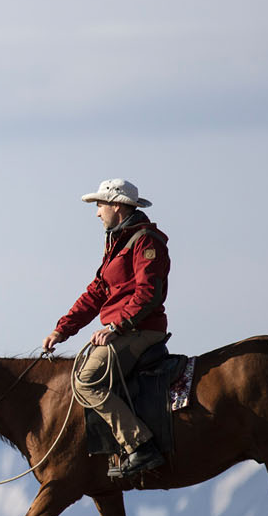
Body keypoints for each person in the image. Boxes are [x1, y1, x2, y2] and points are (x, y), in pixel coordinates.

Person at [41, 179, 171, 480]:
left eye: (99, 205)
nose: (97, 213)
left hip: (140, 330)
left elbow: (149, 293)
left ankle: (141, 446)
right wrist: (62, 330)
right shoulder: (118, 242)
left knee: (86, 381)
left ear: (116, 205)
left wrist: (117, 325)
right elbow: (98, 291)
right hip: (125, 329)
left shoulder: (145, 241)